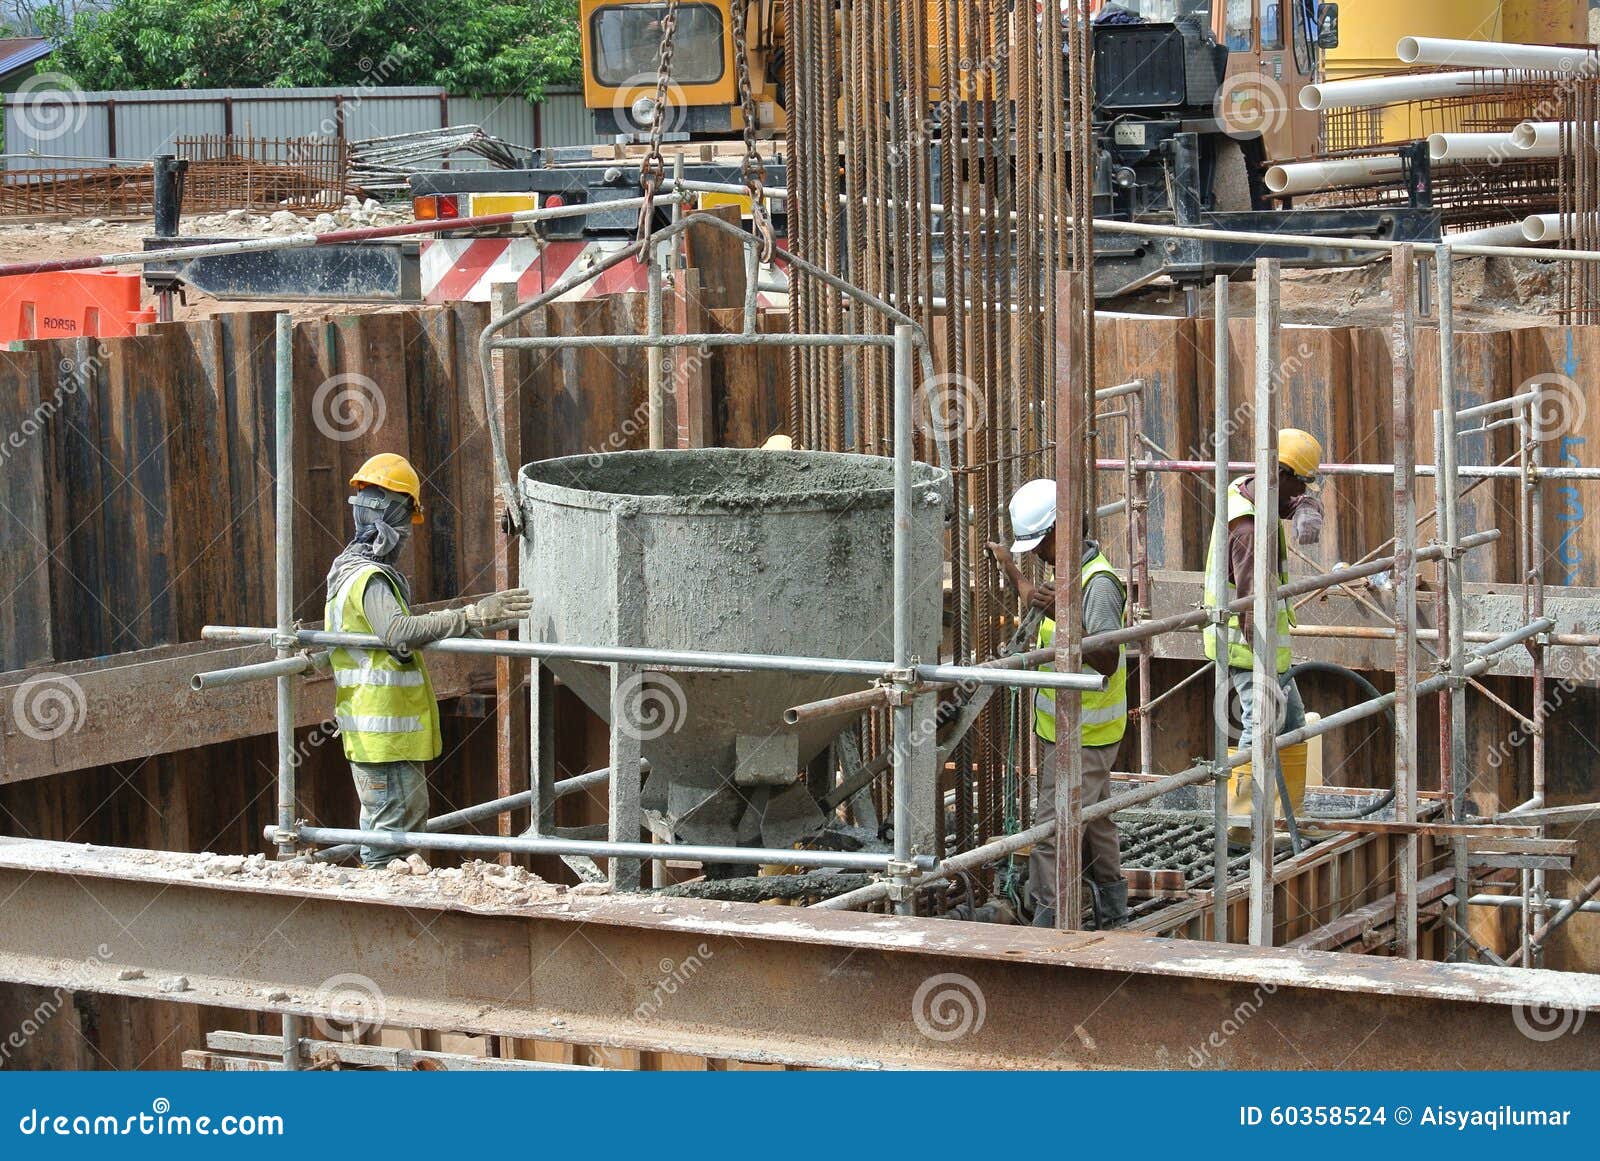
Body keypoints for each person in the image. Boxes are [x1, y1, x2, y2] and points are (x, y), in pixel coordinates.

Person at [324, 453, 532, 869]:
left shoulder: (347, 573)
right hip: (384, 737)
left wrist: (469, 624)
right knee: (389, 849)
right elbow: (398, 632)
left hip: (379, 736)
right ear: (392, 516)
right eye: (405, 521)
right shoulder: (368, 579)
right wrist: (470, 616)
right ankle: (390, 924)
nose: (404, 534)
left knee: (390, 840)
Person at [988, 478, 1129, 929]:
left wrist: (1059, 615)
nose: (1038, 554)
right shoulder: (1068, 574)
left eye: (1039, 544)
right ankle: (1112, 910)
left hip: (1083, 735)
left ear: (1062, 530)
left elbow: (1107, 655)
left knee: (1053, 831)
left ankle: (1049, 923)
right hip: (1075, 731)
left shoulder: (1098, 585)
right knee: (1097, 823)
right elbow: (1038, 598)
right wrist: (1012, 570)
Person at [1203, 428, 1325, 833]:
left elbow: (1285, 500)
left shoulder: (1250, 487)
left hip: (1267, 646)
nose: (1301, 491)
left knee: (1290, 723)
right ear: (1280, 473)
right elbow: (1252, 602)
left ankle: (1286, 815)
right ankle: (1243, 821)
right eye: (1301, 482)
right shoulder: (1248, 528)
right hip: (1247, 645)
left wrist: (1308, 504)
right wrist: (1263, 664)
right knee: (1260, 721)